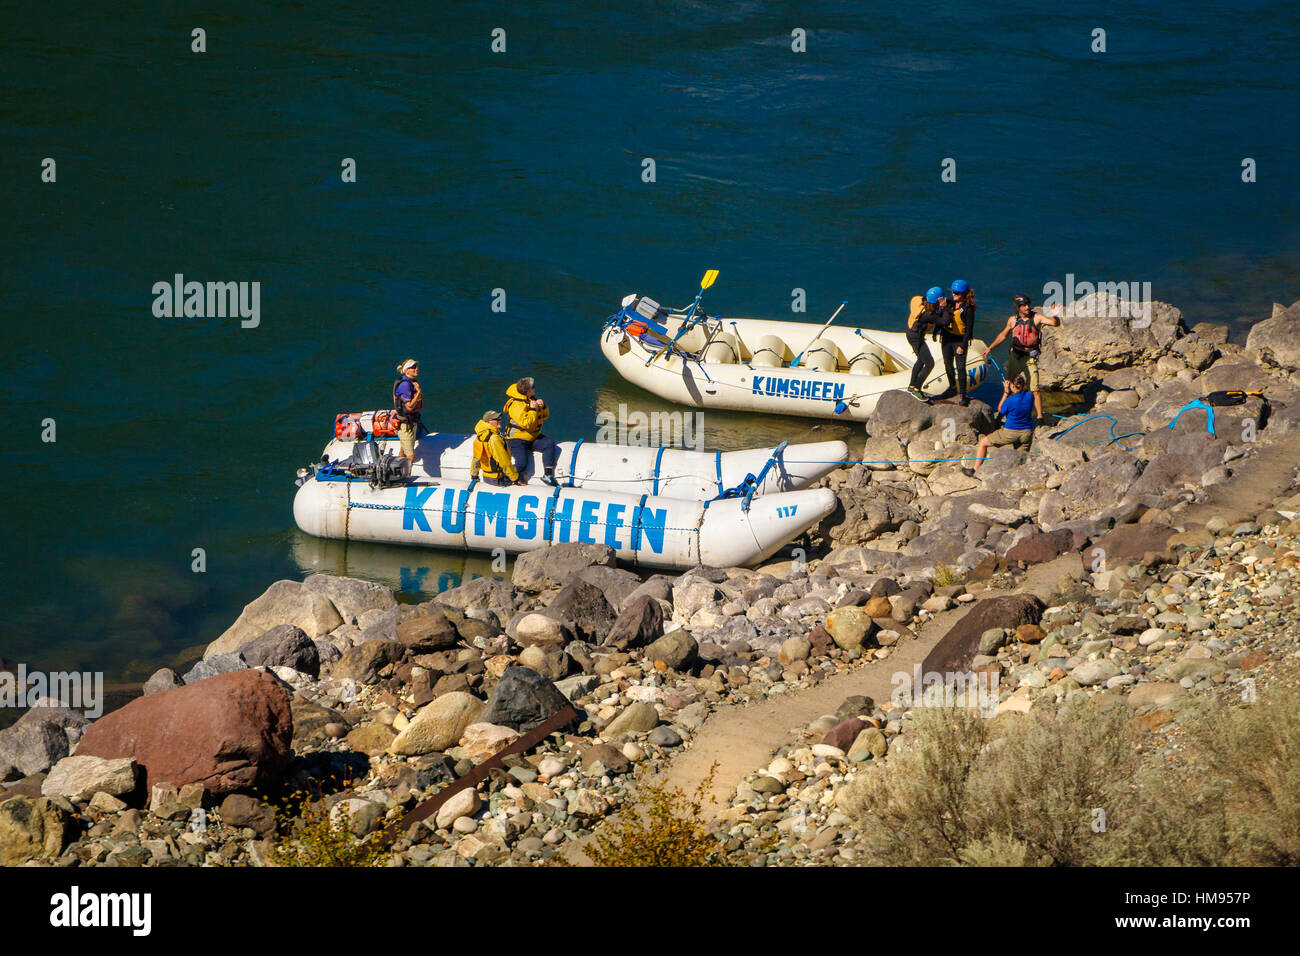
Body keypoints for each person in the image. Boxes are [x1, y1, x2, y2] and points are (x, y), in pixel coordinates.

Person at [983, 294, 1062, 422]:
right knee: (1008, 384)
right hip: (1015, 356)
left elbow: (1054, 323)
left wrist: (1055, 315)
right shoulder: (1012, 320)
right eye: (1024, 305)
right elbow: (1003, 335)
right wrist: (990, 347)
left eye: (1028, 304)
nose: (1027, 307)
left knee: (1035, 389)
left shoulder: (1036, 317)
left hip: (1030, 357)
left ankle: (1040, 418)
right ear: (1018, 307)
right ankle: (1004, 413)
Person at [962, 374, 1035, 475]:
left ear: (1013, 386)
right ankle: (1022, 475)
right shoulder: (1030, 396)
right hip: (1027, 433)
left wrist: (1006, 392)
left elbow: (1000, 409)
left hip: (1010, 432)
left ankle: (975, 470)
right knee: (1021, 456)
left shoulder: (1010, 400)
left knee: (983, 442)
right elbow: (1027, 393)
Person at [504, 376, 559, 485]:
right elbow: (527, 424)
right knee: (522, 463)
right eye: (533, 387)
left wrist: (542, 407)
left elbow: (545, 416)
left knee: (549, 444)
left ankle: (547, 475)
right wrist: (533, 409)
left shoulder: (532, 399)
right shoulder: (515, 404)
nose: (535, 388)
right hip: (516, 439)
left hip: (532, 437)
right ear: (527, 391)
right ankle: (507, 477)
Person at [905, 286, 949, 401]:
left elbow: (920, 298)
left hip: (910, 333)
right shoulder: (929, 315)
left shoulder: (919, 303)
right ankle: (917, 389)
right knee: (929, 363)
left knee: (921, 359)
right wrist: (944, 307)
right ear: (938, 300)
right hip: (916, 338)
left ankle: (911, 386)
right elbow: (944, 321)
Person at [939, 279, 976, 405]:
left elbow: (969, 330)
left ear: (964, 294)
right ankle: (952, 387)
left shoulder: (968, 309)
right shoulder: (950, 303)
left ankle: (963, 395)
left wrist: (963, 345)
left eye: (957, 293)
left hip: (960, 340)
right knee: (948, 364)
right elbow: (942, 311)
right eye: (953, 292)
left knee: (960, 368)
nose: (954, 294)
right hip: (947, 338)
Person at [470, 410, 523, 486]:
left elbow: (476, 457)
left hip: (487, 477)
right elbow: (503, 461)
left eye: (499, 418)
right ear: (489, 421)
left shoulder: (481, 435)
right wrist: (515, 479)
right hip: (498, 479)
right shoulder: (494, 438)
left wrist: (474, 475)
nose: (499, 421)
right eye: (496, 419)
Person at [392, 359, 423, 462]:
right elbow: (409, 406)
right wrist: (418, 392)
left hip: (411, 421)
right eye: (413, 367)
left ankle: (397, 471)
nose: (416, 369)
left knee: (403, 451)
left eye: (416, 367)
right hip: (405, 425)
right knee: (410, 456)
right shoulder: (405, 385)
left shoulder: (411, 382)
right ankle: (407, 476)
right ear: (407, 371)